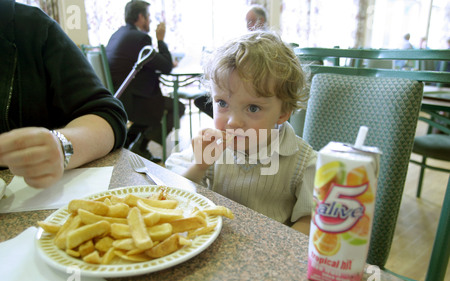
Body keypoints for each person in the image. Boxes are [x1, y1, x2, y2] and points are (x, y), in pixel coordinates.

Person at [166, 31, 317, 231]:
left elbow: (310, 219)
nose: (232, 122)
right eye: (222, 103)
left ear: (283, 114)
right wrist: (199, 166)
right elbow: (173, 194)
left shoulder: (303, 161)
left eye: (253, 108)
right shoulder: (213, 148)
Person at [0, 0, 128, 189]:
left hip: (33, 195)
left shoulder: (30, 28)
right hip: (137, 98)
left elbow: (106, 114)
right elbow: (163, 65)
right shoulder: (137, 38)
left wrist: (61, 146)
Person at [106, 0, 184, 162]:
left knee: (158, 106)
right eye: (148, 16)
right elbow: (166, 67)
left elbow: (145, 63)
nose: (150, 20)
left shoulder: (118, 35)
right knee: (177, 107)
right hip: (133, 100)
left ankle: (131, 142)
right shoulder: (140, 38)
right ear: (141, 17)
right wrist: (161, 40)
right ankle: (140, 145)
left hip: (116, 96)